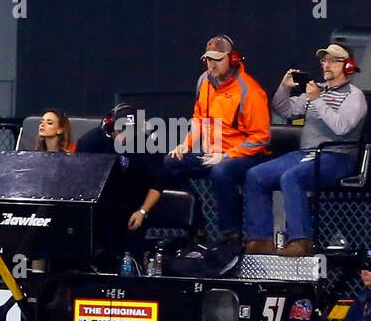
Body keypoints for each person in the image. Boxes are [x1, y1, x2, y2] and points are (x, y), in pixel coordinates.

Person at [244, 44, 369, 257]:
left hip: (338, 156)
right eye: (324, 60)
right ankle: (261, 240)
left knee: (292, 177)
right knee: (256, 175)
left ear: (348, 65)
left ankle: (300, 240)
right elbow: (284, 109)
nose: (326, 65)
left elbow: (341, 127)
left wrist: (317, 100)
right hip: (306, 153)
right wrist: (284, 88)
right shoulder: (316, 91)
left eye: (333, 61)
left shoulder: (354, 96)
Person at [162, 35, 271, 250]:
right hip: (212, 152)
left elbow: (261, 138)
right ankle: (196, 224)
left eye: (218, 59)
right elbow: (199, 118)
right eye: (208, 59)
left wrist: (228, 155)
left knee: (221, 171)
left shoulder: (250, 91)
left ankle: (231, 235)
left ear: (232, 59)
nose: (212, 64)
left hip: (247, 155)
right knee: (170, 162)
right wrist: (187, 144)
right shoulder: (204, 81)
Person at [76, 103, 166, 265]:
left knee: (131, 254)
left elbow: (157, 184)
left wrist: (142, 211)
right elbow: (80, 180)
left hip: (134, 207)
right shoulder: (90, 143)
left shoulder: (148, 146)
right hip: (100, 206)